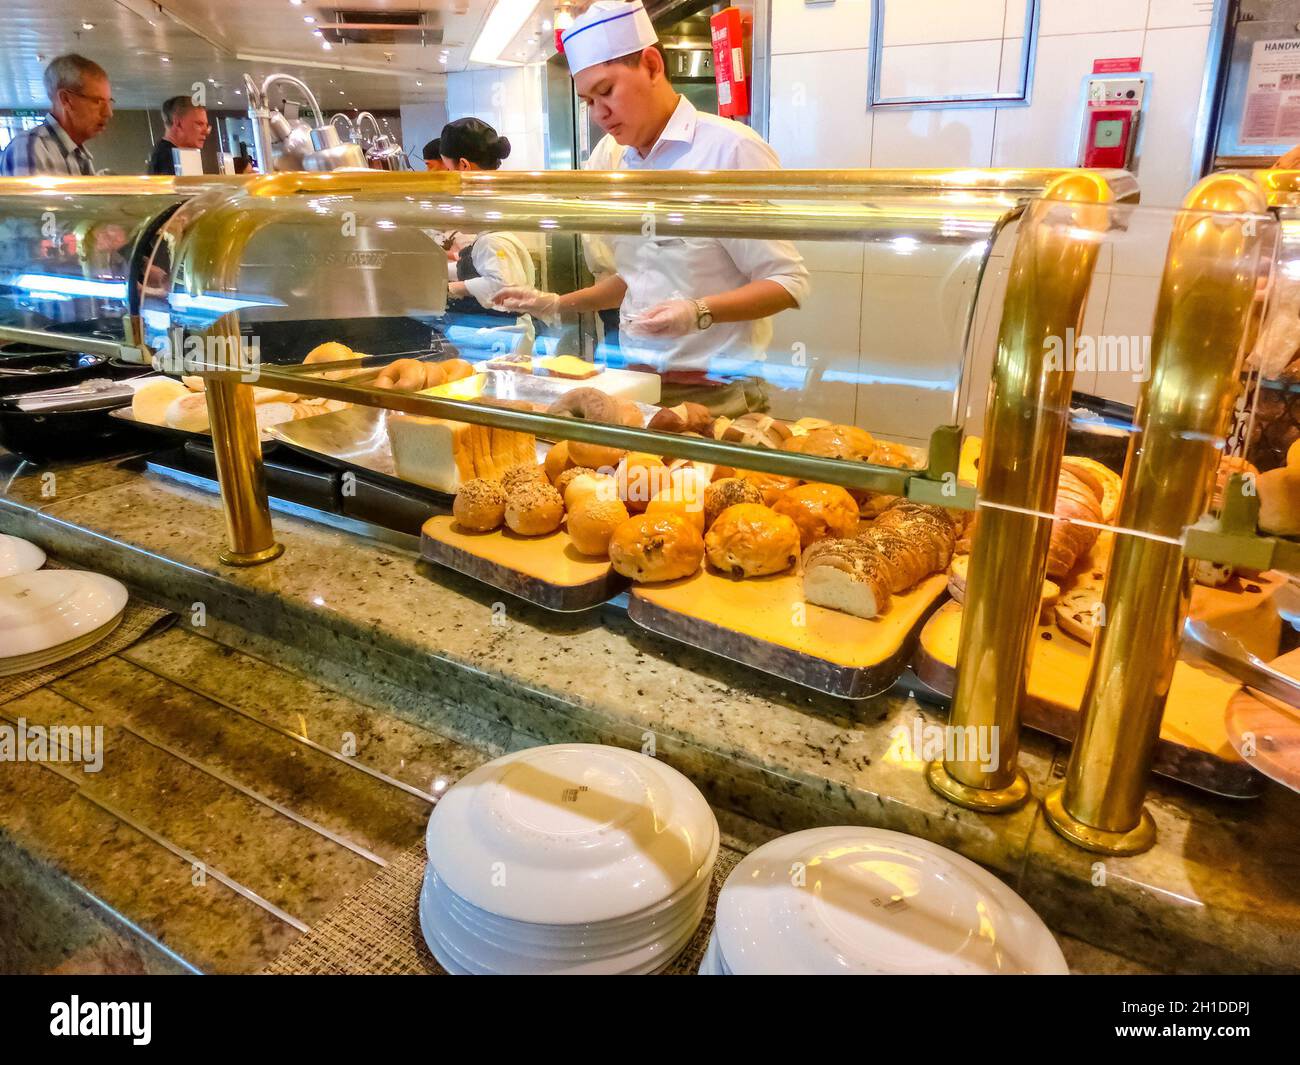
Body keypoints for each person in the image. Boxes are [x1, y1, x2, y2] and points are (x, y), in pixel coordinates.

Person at [494, 0, 808, 414]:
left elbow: (788, 282)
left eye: (606, 91)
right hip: (635, 385)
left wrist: (698, 312)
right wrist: (555, 303)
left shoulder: (730, 150)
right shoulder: (613, 158)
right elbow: (638, 278)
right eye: (589, 101)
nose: (599, 114)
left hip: (716, 395)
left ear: (652, 65)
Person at [438, 118, 536, 320]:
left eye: (448, 169)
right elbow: (481, 266)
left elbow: (503, 284)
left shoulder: (492, 225)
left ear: (463, 165)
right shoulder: (494, 206)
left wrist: (451, 288)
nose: (447, 177)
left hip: (505, 332)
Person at [0, 54, 111, 176]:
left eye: (109, 102)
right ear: (66, 99)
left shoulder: (79, 155)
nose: (108, 113)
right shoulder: (31, 148)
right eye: (97, 101)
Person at [147, 95, 211, 175]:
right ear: (178, 123)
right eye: (199, 124)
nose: (206, 131)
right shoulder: (167, 158)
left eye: (206, 125)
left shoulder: (176, 154)